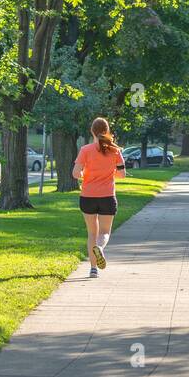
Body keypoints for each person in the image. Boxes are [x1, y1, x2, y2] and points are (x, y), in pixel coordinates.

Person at [72, 117, 126, 278]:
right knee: (104, 232)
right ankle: (100, 248)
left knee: (91, 233)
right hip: (107, 196)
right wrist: (109, 173)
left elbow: (75, 173)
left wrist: (84, 175)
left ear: (92, 131)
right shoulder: (115, 150)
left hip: (88, 196)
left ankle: (93, 269)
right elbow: (122, 174)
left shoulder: (85, 150)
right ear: (107, 130)